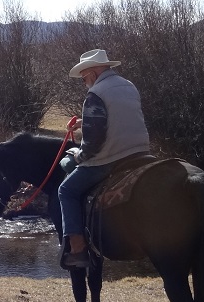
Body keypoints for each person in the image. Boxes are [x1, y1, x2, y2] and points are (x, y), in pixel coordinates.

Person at [57, 49, 151, 268]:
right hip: (140, 153)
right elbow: (119, 117)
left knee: (66, 191)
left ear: (93, 72)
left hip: (112, 157)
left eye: (84, 77)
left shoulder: (96, 93)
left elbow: (93, 142)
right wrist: (84, 121)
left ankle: (78, 249)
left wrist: (79, 156)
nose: (84, 82)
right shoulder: (128, 85)